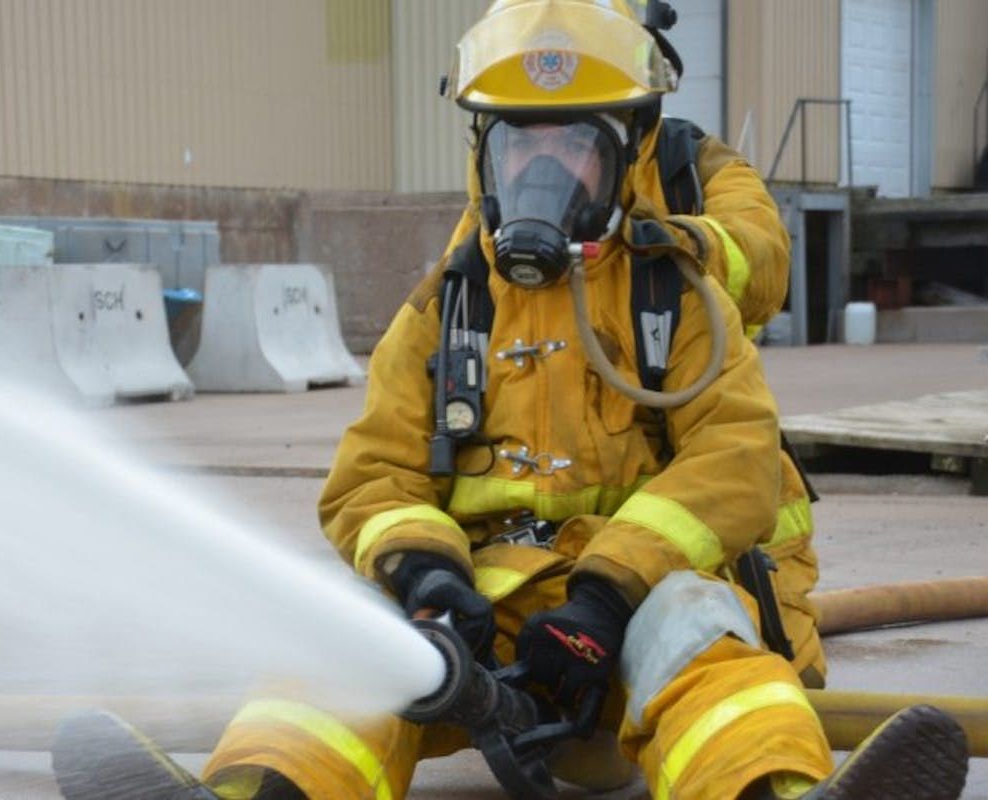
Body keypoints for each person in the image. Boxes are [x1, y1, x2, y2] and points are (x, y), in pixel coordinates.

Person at [52, 2, 969, 798]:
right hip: (492, 630)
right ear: (482, 150)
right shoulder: (450, 303)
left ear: (629, 151)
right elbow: (372, 479)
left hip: (633, 622)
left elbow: (734, 460)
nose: (544, 170)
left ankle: (775, 787)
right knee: (353, 641)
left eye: (576, 144)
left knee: (697, 624)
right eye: (521, 142)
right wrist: (432, 585)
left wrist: (607, 599)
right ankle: (258, 787)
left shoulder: (673, 295)